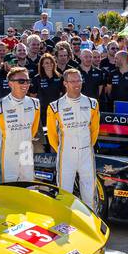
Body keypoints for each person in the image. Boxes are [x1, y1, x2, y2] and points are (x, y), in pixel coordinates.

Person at [46, 67, 100, 208]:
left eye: (79, 80)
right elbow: (52, 135)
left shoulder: (92, 103)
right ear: (65, 83)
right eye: (72, 81)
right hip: (66, 154)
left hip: (86, 153)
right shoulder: (55, 107)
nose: (76, 84)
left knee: (89, 193)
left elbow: (94, 130)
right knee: (64, 193)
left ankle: (90, 225)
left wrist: (87, 146)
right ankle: (65, 225)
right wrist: (62, 149)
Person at [0, 66, 39, 182]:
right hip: (7, 155)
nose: (25, 84)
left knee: (29, 186)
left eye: (28, 81)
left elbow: (33, 130)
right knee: (8, 189)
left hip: (26, 152)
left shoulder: (35, 104)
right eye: (21, 81)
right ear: (10, 84)